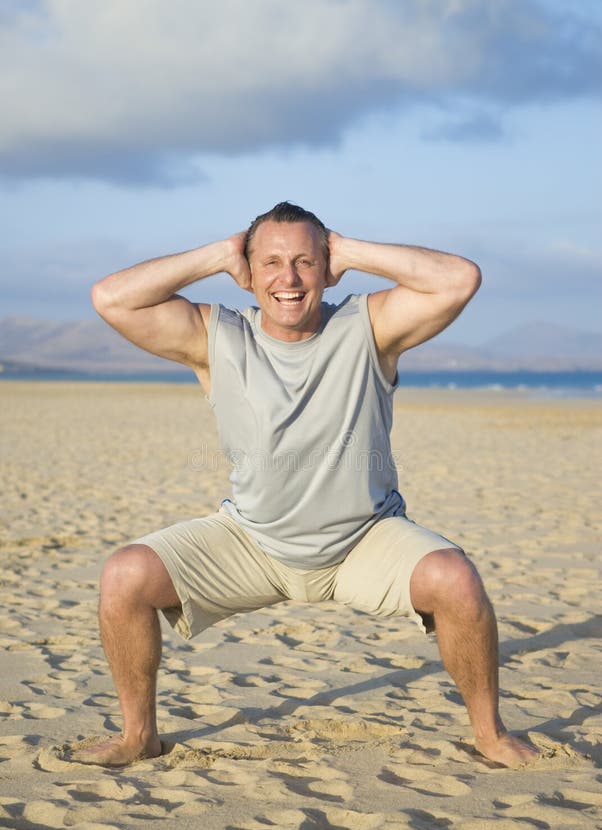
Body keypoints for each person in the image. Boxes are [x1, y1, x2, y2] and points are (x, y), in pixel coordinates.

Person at [80, 201, 537, 769]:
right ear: (248, 272)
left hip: (364, 540)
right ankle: (137, 735)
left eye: (304, 261)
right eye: (270, 262)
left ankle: (490, 734)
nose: (288, 278)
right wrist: (218, 255)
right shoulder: (215, 336)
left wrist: (349, 250)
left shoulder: (368, 327)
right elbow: (110, 297)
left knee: (457, 581)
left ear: (326, 268)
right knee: (125, 575)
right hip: (252, 542)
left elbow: (460, 279)